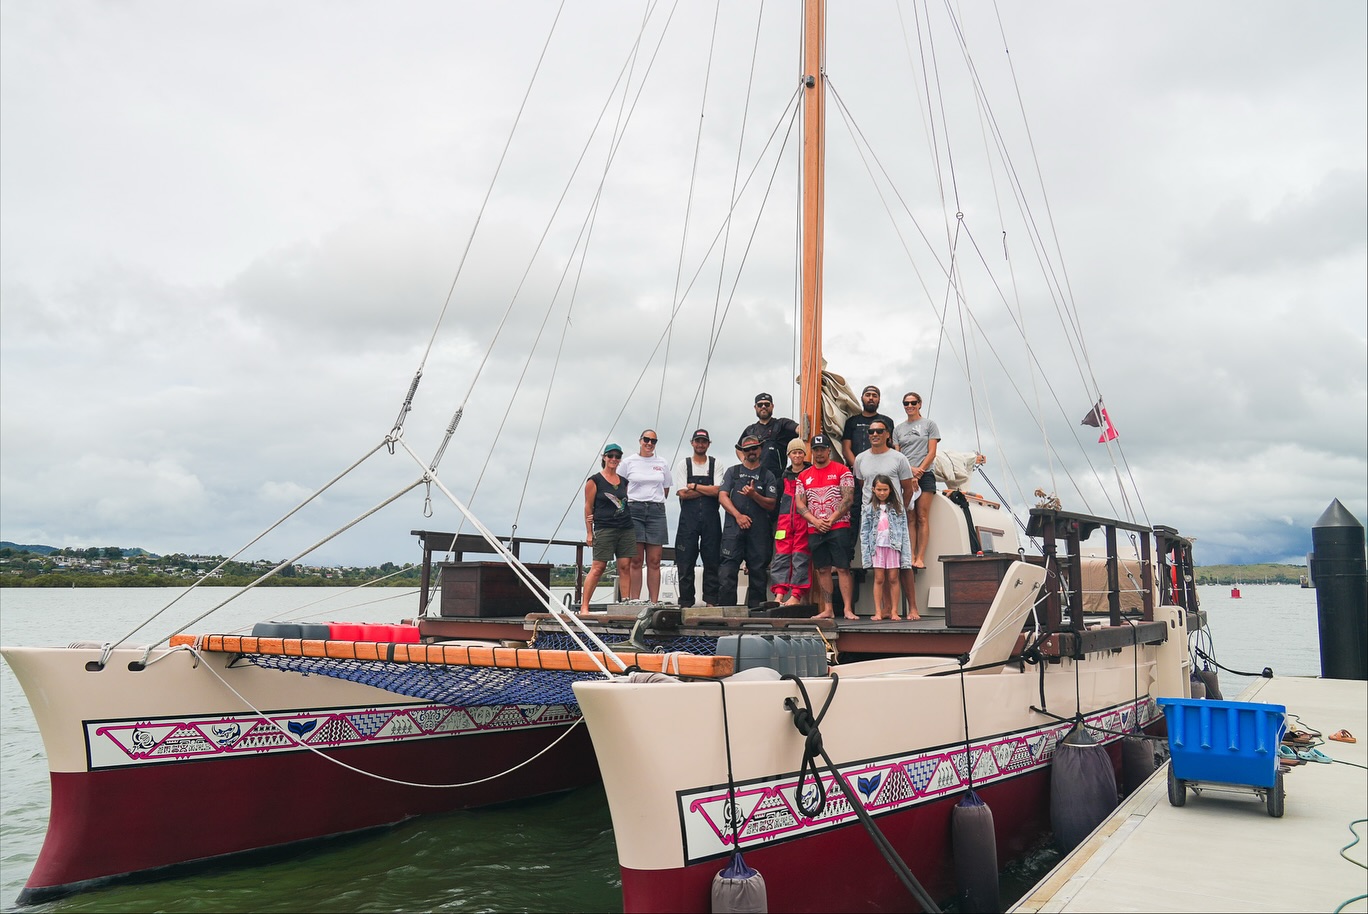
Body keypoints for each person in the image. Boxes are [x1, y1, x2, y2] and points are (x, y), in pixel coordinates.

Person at [853, 418, 919, 619]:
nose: (874, 434)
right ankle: (883, 610)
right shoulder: (860, 459)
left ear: (887, 434)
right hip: (871, 516)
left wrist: (900, 509)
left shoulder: (899, 458)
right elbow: (864, 484)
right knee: (879, 571)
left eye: (879, 431)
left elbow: (907, 489)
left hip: (894, 515)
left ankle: (912, 608)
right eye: (871, 432)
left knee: (902, 565)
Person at [796, 434, 856, 620]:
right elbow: (799, 503)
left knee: (843, 567)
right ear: (811, 452)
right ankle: (828, 608)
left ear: (829, 450)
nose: (819, 453)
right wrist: (814, 521)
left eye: (822, 449)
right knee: (822, 569)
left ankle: (847, 609)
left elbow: (848, 498)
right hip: (815, 528)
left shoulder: (842, 470)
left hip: (838, 525)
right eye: (816, 449)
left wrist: (832, 518)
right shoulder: (803, 476)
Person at [718, 434, 779, 608]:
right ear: (742, 451)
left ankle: (756, 614)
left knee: (758, 573)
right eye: (747, 449)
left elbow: (771, 504)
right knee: (727, 572)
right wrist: (738, 516)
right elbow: (722, 496)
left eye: (754, 448)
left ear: (760, 449)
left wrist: (754, 495)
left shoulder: (768, 475)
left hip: (758, 531)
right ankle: (726, 612)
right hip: (733, 528)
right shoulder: (732, 472)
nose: (751, 452)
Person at [841, 385, 897, 558]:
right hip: (858, 476)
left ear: (879, 399)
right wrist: (860, 470)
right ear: (862, 398)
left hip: (882, 478)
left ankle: (887, 553)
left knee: (885, 513)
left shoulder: (887, 421)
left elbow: (892, 446)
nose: (871, 398)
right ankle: (848, 556)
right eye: (868, 395)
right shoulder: (852, 422)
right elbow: (846, 448)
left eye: (874, 395)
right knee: (853, 512)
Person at [673, 428, 726, 607]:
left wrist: (694, 486)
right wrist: (707, 490)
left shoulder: (716, 463)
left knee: (712, 560)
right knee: (685, 561)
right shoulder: (683, 464)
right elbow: (682, 494)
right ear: (692, 443)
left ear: (708, 444)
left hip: (711, 518)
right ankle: (686, 602)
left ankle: (711, 601)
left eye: (704, 441)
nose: (700, 444)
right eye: (698, 441)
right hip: (688, 519)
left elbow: (718, 491)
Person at [581, 443, 636, 614]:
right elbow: (588, 507)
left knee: (625, 565)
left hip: (626, 527)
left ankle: (625, 602)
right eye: (610, 455)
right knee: (598, 567)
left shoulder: (624, 481)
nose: (614, 459)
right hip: (604, 528)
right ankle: (584, 606)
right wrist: (589, 532)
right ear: (604, 457)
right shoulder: (594, 480)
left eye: (617, 456)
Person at [618, 429, 671, 602]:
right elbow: (619, 487)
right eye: (646, 440)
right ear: (640, 440)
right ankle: (634, 600)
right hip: (634, 510)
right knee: (636, 560)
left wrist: (654, 500)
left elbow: (666, 488)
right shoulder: (628, 462)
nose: (649, 444)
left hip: (656, 510)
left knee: (655, 560)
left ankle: (654, 602)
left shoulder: (662, 462)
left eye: (653, 441)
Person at [893, 392, 941, 570]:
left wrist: (919, 472)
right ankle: (910, 555)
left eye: (913, 402)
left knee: (922, 516)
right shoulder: (898, 429)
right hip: (906, 475)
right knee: (909, 517)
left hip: (925, 474)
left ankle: (920, 557)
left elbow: (932, 452)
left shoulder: (929, 425)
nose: (909, 406)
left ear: (920, 404)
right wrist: (910, 471)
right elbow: (898, 455)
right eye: (906, 403)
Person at [860, 475, 913, 620]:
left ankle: (894, 611)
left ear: (890, 490)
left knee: (893, 578)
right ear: (873, 490)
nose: (882, 493)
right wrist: (865, 554)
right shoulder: (868, 508)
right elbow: (864, 532)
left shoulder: (898, 507)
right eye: (879, 489)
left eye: (885, 489)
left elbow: (904, 532)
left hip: (893, 546)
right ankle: (878, 611)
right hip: (877, 547)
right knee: (878, 578)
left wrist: (906, 554)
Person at [768, 437, 812, 606]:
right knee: (781, 557)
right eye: (794, 452)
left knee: (800, 557)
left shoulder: (809, 475)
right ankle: (779, 594)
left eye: (800, 452)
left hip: (803, 519)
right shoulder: (782, 478)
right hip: (784, 521)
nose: (797, 455)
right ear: (789, 455)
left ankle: (797, 594)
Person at [739, 392, 800, 483]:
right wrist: (744, 460)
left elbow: (799, 429)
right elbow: (738, 448)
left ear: (772, 406)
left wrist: (808, 427)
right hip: (755, 478)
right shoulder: (750, 430)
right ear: (755, 407)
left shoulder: (782, 424)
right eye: (760, 404)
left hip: (778, 478)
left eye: (767, 404)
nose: (763, 406)